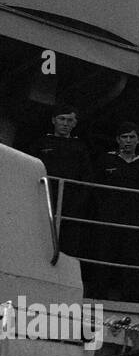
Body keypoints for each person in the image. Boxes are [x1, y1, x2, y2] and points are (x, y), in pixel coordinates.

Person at [90, 121, 139, 301]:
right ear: (117, 139)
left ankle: (130, 300)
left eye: (132, 137)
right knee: (102, 260)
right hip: (108, 221)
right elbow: (94, 190)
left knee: (132, 263)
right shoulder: (105, 161)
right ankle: (98, 297)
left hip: (134, 224)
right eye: (124, 137)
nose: (128, 141)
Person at [31, 104, 95, 258]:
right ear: (54, 120)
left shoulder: (80, 148)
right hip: (43, 199)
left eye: (69, 120)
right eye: (62, 119)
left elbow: (87, 177)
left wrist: (79, 201)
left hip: (70, 204)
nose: (65, 123)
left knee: (68, 243)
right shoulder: (41, 143)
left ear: (75, 123)